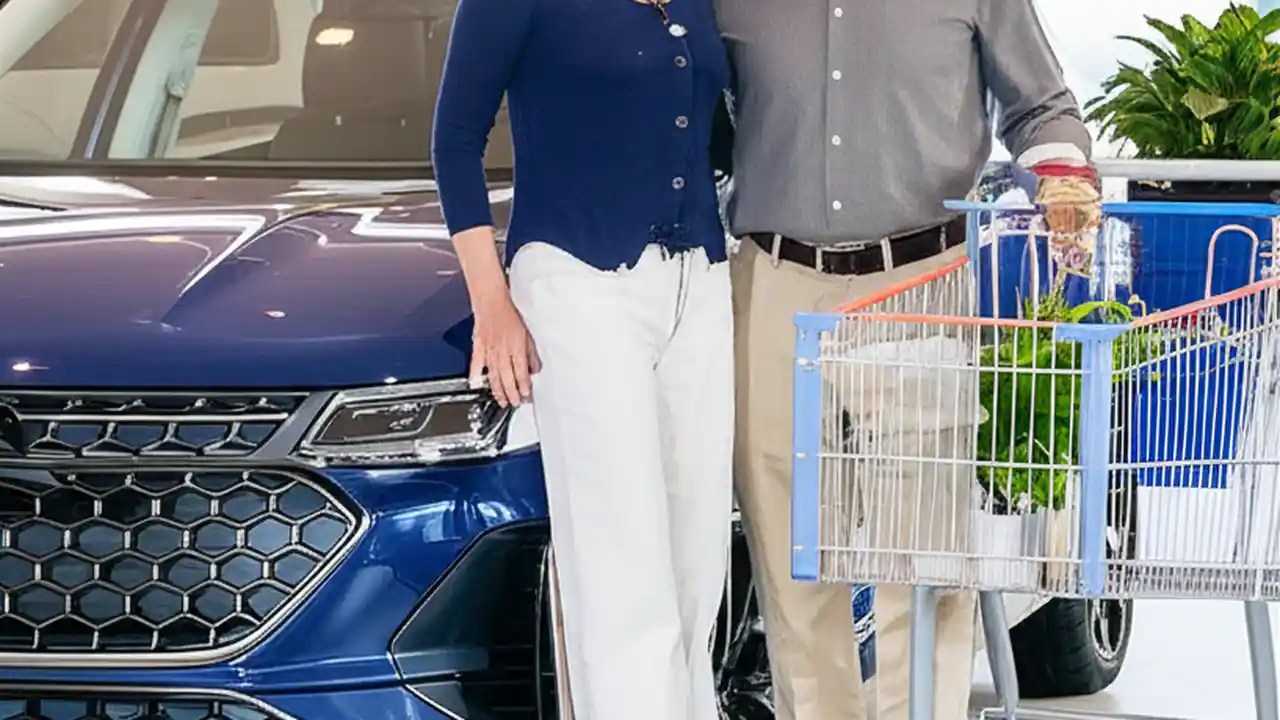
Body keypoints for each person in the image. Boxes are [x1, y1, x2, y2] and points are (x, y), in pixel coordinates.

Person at [712, 1, 1098, 718]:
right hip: (773, 282)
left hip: (920, 282)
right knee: (791, 560)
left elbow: (1042, 105)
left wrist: (1061, 177)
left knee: (923, 564)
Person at [432, 0, 733, 718]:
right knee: (621, 563)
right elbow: (454, 139)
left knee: (698, 562)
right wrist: (492, 301)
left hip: (700, 282)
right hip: (578, 284)